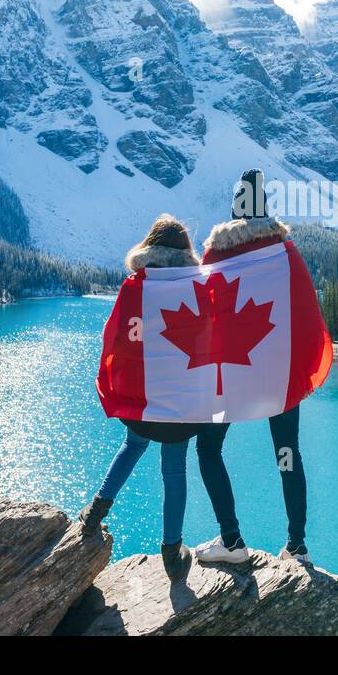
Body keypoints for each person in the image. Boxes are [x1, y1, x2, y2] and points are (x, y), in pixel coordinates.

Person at [192, 169, 320, 567]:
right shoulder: (285, 252)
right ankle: (297, 547)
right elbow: (305, 309)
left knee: (208, 449)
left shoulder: (217, 252)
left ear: (234, 209)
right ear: (265, 207)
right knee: (287, 452)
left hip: (230, 371)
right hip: (277, 371)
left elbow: (200, 305)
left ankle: (232, 541)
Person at [80, 214, 203, 581]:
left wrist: (117, 384)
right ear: (185, 252)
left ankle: (95, 513)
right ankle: (171, 550)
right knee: (175, 470)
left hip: (142, 401)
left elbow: (114, 336)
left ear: (148, 248)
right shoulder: (196, 287)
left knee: (132, 446)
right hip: (179, 403)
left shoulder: (135, 286)